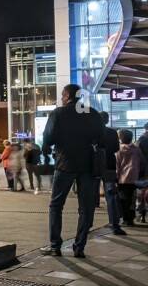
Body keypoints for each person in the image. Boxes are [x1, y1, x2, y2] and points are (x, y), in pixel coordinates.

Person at [41, 84, 106, 258]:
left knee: (56, 205)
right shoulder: (91, 113)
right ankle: (79, 247)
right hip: (87, 165)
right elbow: (101, 137)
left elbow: (48, 138)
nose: (61, 98)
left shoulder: (58, 113)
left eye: (62, 95)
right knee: (86, 208)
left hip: (65, 164)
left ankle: (55, 246)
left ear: (68, 95)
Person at [99, 112, 123, 235]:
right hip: (109, 165)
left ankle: (86, 226)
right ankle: (115, 225)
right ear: (107, 120)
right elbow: (116, 149)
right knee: (111, 195)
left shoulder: (92, 132)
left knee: (87, 197)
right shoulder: (112, 132)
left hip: (94, 167)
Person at [115, 129, 143, 227]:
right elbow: (142, 162)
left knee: (123, 200)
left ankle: (125, 218)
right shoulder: (136, 149)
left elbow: (117, 166)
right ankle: (130, 218)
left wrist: (116, 178)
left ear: (121, 138)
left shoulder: (118, 150)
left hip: (122, 179)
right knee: (131, 199)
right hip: (134, 178)